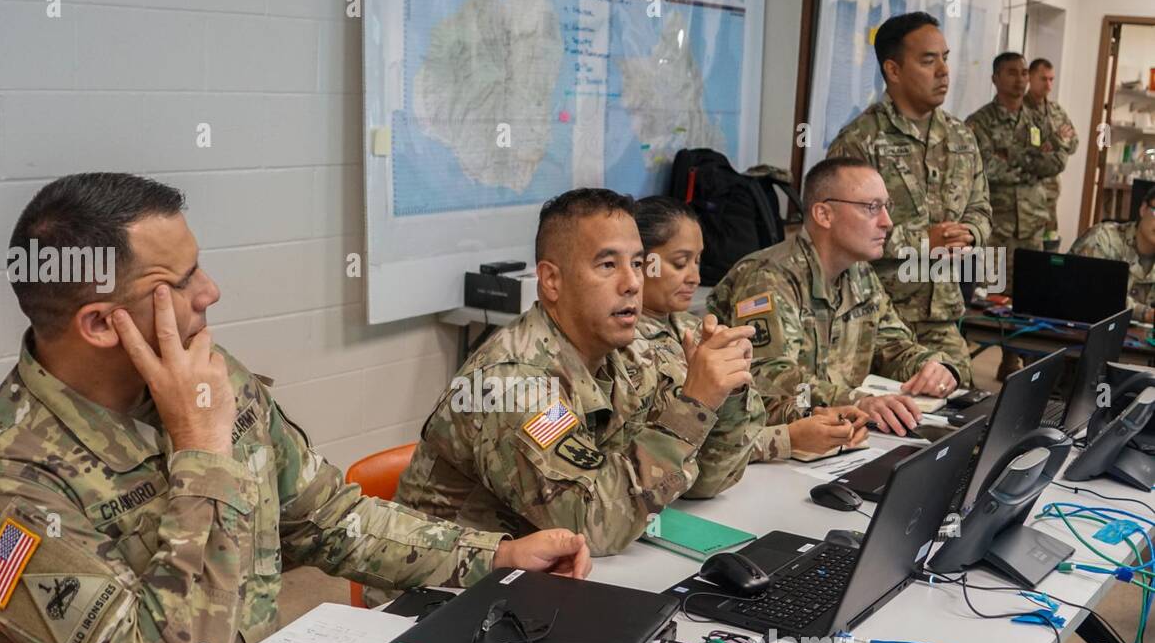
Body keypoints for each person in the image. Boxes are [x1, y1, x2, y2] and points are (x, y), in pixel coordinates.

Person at [0, 172, 591, 643]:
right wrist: (201, 453)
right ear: (101, 323)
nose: (209, 292)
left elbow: (332, 520)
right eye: (178, 284)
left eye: (198, 268)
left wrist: (493, 555)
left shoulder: (207, 376)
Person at [394, 188, 766, 555]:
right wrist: (693, 404)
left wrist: (724, 392)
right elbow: (590, 526)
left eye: (637, 263)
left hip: (554, 577)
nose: (632, 283)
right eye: (608, 265)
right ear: (552, 280)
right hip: (449, 597)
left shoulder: (634, 349)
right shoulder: (512, 382)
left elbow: (705, 479)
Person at [708, 158, 961, 437]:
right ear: (824, 214)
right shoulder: (768, 278)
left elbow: (893, 344)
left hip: (841, 433)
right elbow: (769, 378)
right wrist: (854, 401)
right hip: (769, 442)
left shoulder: (859, 272)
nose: (887, 222)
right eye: (872, 207)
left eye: (885, 207)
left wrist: (933, 367)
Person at [634, 195, 869, 461]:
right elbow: (671, 447)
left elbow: (751, 405)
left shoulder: (692, 327)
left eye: (698, 261)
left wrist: (808, 414)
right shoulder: (622, 343)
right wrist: (788, 439)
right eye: (679, 263)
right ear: (638, 262)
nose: (695, 278)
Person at [828, 12, 992, 387]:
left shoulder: (961, 137)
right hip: (877, 320)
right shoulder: (859, 141)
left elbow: (981, 208)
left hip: (943, 313)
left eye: (945, 58)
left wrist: (969, 233)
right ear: (894, 70)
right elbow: (840, 233)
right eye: (928, 60)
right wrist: (923, 242)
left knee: (958, 406)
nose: (943, 72)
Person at [966, 52, 1070, 379]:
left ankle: (1014, 359)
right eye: (1012, 73)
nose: (1020, 79)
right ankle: (964, 358)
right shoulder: (978, 122)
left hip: (1033, 224)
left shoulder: (1040, 119)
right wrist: (1029, 162)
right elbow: (984, 167)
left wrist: (1011, 158)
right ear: (996, 78)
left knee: (1027, 296)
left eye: (1025, 73)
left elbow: (1057, 161)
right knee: (989, 294)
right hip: (996, 223)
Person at [1070, 183, 1155, 323]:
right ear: (1143, 209)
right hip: (1084, 333)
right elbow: (1089, 290)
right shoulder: (1103, 238)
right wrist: (1146, 314)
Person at [1025, 58, 1080, 238]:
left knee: (1049, 246)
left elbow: (1074, 143)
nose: (1048, 85)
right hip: (1027, 193)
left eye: (1051, 79)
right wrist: (1057, 140)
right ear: (1030, 77)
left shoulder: (1056, 111)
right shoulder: (1020, 110)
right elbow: (1029, 151)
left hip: (1051, 192)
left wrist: (1059, 143)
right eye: (1043, 79)